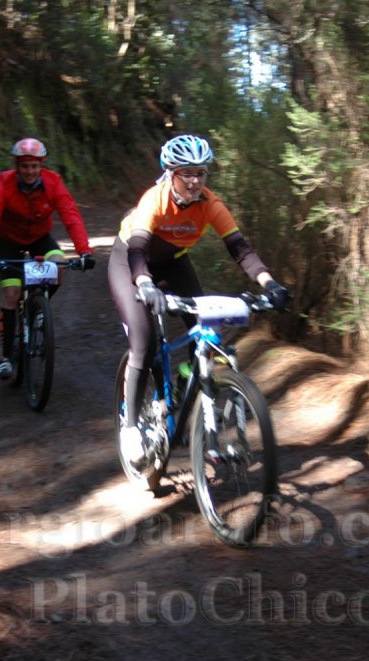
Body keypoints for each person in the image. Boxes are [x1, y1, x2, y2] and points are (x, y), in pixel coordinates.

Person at [108, 133, 289, 462]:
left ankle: (186, 380)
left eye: (200, 173)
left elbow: (240, 249)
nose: (194, 181)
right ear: (171, 174)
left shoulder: (210, 205)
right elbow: (137, 250)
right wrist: (146, 284)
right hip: (130, 262)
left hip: (175, 262)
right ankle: (132, 428)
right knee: (145, 343)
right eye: (186, 173)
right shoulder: (156, 199)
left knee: (208, 329)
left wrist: (270, 284)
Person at [0, 137, 95, 379]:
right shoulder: (5, 183)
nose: (30, 171)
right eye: (25, 166)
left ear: (41, 166)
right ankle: (6, 357)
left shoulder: (53, 182)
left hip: (40, 237)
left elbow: (70, 215)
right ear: (17, 166)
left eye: (34, 166)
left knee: (60, 265)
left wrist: (84, 251)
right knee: (11, 294)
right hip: (10, 242)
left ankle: (39, 306)